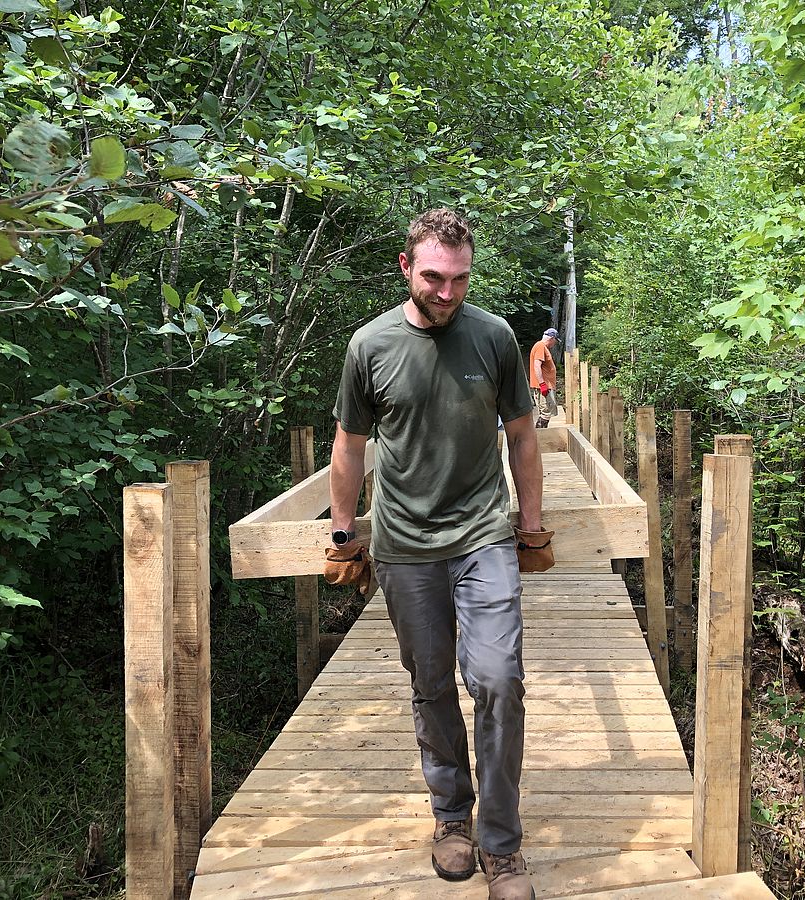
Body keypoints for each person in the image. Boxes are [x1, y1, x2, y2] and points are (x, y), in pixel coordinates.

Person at [324, 208, 555, 900]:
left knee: (497, 678)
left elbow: (521, 434)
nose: (447, 291)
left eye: (458, 278)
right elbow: (348, 446)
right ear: (406, 268)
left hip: (483, 533)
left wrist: (533, 526)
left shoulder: (494, 337)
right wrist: (343, 534)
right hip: (403, 545)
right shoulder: (370, 346)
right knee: (430, 684)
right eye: (433, 277)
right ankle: (451, 816)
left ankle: (501, 845)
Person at [528, 328, 559, 428]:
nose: (555, 343)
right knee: (546, 413)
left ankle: (540, 436)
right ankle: (539, 437)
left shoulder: (542, 347)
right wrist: (542, 385)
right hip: (544, 386)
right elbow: (537, 365)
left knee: (547, 412)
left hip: (546, 385)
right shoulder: (540, 346)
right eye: (555, 341)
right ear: (552, 338)